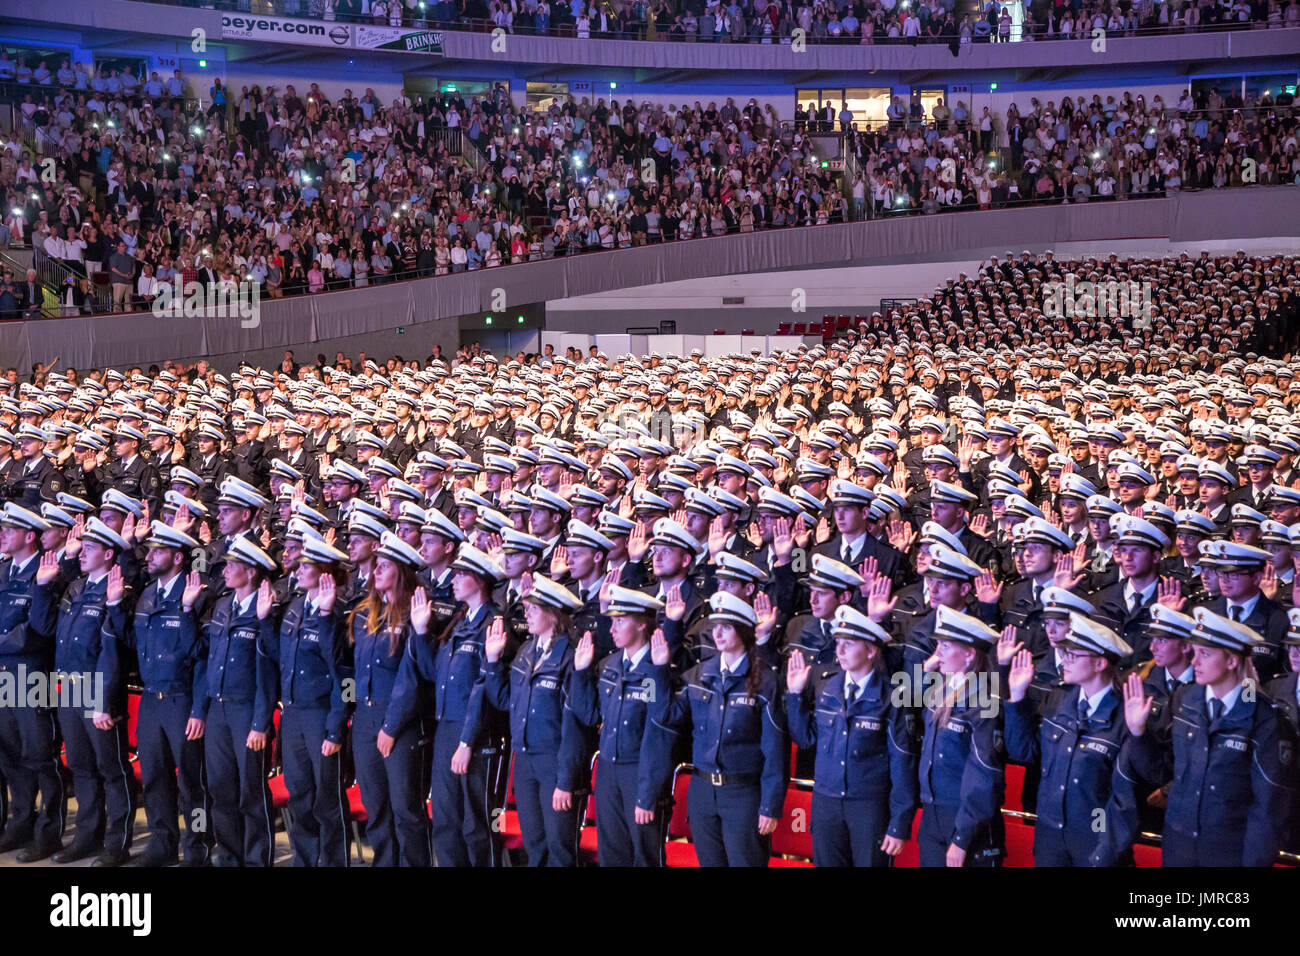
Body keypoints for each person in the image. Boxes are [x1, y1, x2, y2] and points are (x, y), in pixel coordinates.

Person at [1122, 607, 1295, 866]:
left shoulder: (1266, 719)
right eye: (1195, 652)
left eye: (1205, 654)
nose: (1194, 662)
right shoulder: (1185, 700)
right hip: (1178, 847)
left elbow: (1269, 809)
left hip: (1229, 854)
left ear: (1231, 661)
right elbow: (1163, 772)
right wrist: (1138, 733)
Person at [649, 591, 788, 867]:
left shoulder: (765, 681)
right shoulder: (701, 674)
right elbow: (665, 715)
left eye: (727, 627)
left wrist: (770, 805)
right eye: (716, 626)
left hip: (744, 794)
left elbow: (775, 751)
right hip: (702, 792)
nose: (718, 633)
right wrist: (658, 671)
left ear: (743, 631)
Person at [102, 520, 211, 867]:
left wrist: (199, 710)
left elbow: (202, 656)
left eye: (158, 551)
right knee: (155, 780)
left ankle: (198, 849)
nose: (149, 556)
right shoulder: (149, 594)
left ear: (178, 558)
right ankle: (162, 844)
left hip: (182, 700)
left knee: (193, 785)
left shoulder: (197, 592)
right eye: (149, 549)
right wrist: (117, 606)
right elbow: (134, 643)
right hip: (151, 700)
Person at [785, 603, 918, 867]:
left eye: (849, 643)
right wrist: (795, 696)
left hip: (868, 806)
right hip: (827, 802)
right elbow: (805, 739)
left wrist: (900, 821)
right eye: (838, 643)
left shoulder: (892, 697)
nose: (840, 650)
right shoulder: (826, 687)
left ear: (870, 651)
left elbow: (902, 762)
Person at [1004, 613, 1138, 866]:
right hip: (1050, 839)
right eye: (1066, 652)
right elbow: (1024, 752)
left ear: (1099, 663)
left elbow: (1122, 800)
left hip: (1095, 842)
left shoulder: (1126, 715)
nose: (1064, 659)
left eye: (1074, 655)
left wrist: (1104, 849)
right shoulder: (1059, 699)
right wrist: (1017, 697)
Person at [401, 543, 505, 867]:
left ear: (480, 580)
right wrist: (420, 633)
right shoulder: (459, 622)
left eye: (462, 574)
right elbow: (435, 674)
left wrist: (466, 741)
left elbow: (485, 690)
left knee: (477, 826)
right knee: (445, 821)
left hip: (473, 735)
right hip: (446, 729)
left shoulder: (493, 625)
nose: (455, 580)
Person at [47, 518, 136, 867]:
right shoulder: (77, 588)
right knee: (82, 768)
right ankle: (87, 837)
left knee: (111, 769)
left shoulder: (118, 592)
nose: (82, 553)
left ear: (109, 553)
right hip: (69, 689)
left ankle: (117, 843)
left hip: (96, 693)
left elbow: (112, 653)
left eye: (90, 548)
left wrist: (102, 701)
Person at [261, 533, 352, 867]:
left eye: (306, 565)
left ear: (325, 572)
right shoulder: (295, 607)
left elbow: (346, 676)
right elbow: (279, 658)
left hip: (322, 716)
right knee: (300, 795)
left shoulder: (340, 613)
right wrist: (265, 621)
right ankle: (304, 860)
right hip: (294, 714)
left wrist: (337, 726)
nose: (297, 570)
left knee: (328, 800)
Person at [483, 574, 585, 866]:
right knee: (534, 843)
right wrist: (492, 663)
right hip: (525, 759)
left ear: (553, 615)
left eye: (534, 608)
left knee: (559, 847)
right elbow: (505, 701)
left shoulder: (571, 656)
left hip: (555, 762)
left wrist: (565, 780)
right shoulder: (527, 651)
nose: (525, 613)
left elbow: (574, 726)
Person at [566, 585, 670, 866]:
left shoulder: (653, 670)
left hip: (639, 771)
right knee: (611, 852)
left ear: (642, 624)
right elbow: (590, 716)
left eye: (620, 620)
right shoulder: (610, 665)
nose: (612, 628)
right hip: (609, 770)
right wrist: (580, 673)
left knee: (644, 855)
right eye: (611, 620)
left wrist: (648, 793)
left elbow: (657, 731)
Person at [349, 530, 430, 867]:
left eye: (384, 566)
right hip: (365, 721)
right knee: (376, 807)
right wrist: (353, 711)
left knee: (405, 810)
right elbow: (350, 673)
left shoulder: (415, 612)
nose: (376, 571)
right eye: (376, 565)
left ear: (401, 571)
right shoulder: (364, 614)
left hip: (398, 723)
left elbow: (411, 680)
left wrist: (391, 727)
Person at [197, 536, 278, 867]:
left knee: (251, 792)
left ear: (250, 572)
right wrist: (201, 711)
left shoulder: (263, 612)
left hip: (247, 711)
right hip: (218, 708)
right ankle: (229, 856)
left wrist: (261, 723)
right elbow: (208, 661)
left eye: (232, 566)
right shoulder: (222, 605)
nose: (225, 570)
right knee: (221, 788)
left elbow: (268, 673)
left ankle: (258, 859)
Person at [915, 605, 1006, 867]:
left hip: (967, 823)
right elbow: (903, 706)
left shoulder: (985, 701)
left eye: (945, 646)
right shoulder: (939, 691)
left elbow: (983, 774)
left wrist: (962, 837)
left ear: (968, 654)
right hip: (934, 815)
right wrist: (924, 672)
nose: (937, 653)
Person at [0, 504, 65, 863]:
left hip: (31, 676)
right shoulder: (5, 570)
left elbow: (37, 632)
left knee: (41, 757)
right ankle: (21, 823)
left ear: (29, 536)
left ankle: (49, 832)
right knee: (11, 758)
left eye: (9, 530)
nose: (2, 535)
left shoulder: (47, 574)